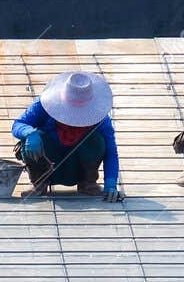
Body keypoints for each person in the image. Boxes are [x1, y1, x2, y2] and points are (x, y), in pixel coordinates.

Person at [11, 71, 124, 202]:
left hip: (79, 168)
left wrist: (111, 184)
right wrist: (29, 133)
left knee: (98, 141)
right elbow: (18, 124)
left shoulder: (101, 118)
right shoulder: (44, 104)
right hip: (48, 166)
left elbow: (111, 152)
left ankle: (88, 183)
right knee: (29, 141)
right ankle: (39, 183)